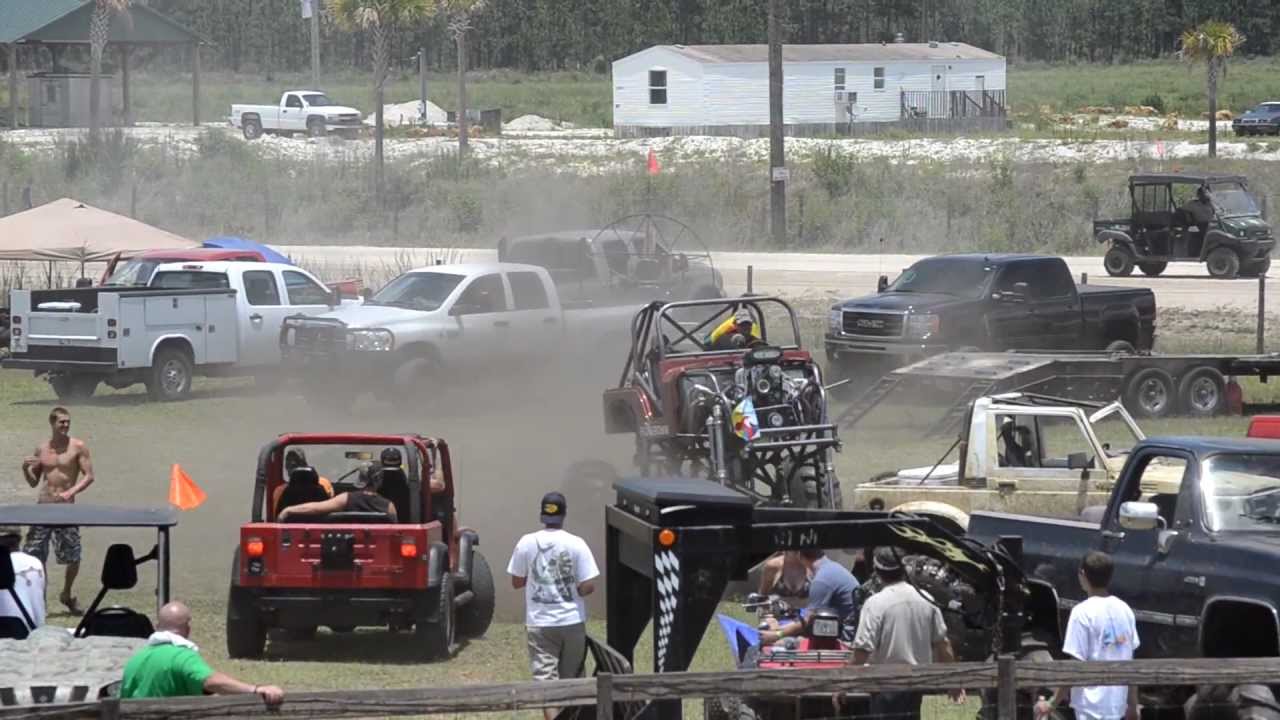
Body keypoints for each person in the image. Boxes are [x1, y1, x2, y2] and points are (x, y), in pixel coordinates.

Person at [507, 492, 599, 720]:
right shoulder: (577, 543)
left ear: (542, 515)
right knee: (573, 680)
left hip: (540, 623)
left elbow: (516, 582)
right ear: (564, 514)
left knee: (546, 684)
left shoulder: (526, 542)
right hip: (571, 622)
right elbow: (588, 585)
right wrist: (578, 590)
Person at [845, 547, 962, 720]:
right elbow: (943, 644)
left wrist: (843, 683)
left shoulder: (875, 604)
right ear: (904, 570)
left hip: (886, 687)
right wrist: (954, 681)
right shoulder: (927, 599)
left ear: (877, 571)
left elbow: (862, 651)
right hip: (917, 687)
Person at [1035, 552, 1139, 720]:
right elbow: (1130, 662)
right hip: (1117, 706)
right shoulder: (1125, 610)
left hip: (1090, 707)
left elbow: (1075, 666)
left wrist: (1052, 703)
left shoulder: (1081, 613)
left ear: (1083, 574)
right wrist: (1133, 705)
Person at [120, 601, 284, 705]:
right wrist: (255, 689)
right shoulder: (181, 657)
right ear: (188, 629)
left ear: (157, 626)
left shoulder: (136, 659)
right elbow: (211, 681)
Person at [20, 406, 94, 615]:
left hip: (66, 509)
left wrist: (71, 491)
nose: (65, 425)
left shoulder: (78, 447)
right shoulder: (42, 449)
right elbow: (34, 482)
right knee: (34, 556)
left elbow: (89, 476)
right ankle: (40, 599)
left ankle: (66, 594)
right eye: (61, 422)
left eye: (68, 422)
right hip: (43, 508)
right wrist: (24, 468)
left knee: (73, 556)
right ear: (52, 423)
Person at [758, 549, 858, 645]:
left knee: (781, 646)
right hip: (847, 629)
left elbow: (809, 620)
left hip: (846, 637)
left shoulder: (821, 580)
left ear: (800, 555)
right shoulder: (831, 568)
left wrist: (777, 634)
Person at [276, 462, 397, 522]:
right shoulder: (389, 507)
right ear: (379, 480)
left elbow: (317, 508)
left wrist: (288, 510)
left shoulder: (346, 499)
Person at [0, 526, 45, 631]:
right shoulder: (36, 562)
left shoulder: (3, 564)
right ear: (19, 539)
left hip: (10, 631)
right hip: (36, 630)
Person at [271, 449, 334, 514]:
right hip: (321, 523)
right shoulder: (325, 484)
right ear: (305, 464)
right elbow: (331, 509)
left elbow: (277, 517)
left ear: (287, 468)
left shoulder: (280, 491)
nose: (291, 464)